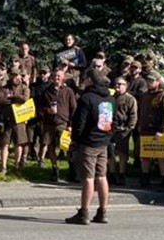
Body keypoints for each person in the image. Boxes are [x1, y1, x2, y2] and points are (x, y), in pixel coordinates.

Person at [65, 68, 114, 225]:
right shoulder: (110, 98)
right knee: (102, 176)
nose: (82, 81)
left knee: (88, 178)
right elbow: (112, 122)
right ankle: (102, 211)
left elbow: (80, 123)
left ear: (90, 80)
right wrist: (107, 137)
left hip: (88, 143)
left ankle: (84, 213)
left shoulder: (87, 98)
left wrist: (75, 140)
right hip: (103, 141)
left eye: (84, 79)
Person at [39, 68, 76, 183]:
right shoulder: (46, 91)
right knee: (50, 146)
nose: (57, 78)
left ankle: (72, 170)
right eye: (55, 76)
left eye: (59, 76)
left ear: (63, 77)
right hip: (49, 124)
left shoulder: (68, 91)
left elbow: (73, 108)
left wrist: (70, 124)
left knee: (67, 147)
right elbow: (40, 107)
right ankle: (55, 168)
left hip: (63, 123)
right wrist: (47, 110)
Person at [138, 72, 164, 188]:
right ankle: (145, 177)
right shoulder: (144, 96)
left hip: (158, 130)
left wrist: (163, 129)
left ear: (158, 82)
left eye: (152, 81)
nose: (149, 83)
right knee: (144, 156)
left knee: (161, 156)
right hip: (145, 129)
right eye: (147, 81)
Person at [110, 76, 138, 186]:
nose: (117, 86)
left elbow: (133, 115)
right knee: (110, 152)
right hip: (111, 129)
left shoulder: (130, 99)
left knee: (122, 153)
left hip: (123, 130)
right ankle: (112, 173)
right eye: (116, 84)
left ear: (125, 86)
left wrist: (129, 128)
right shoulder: (111, 97)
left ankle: (121, 174)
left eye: (120, 84)